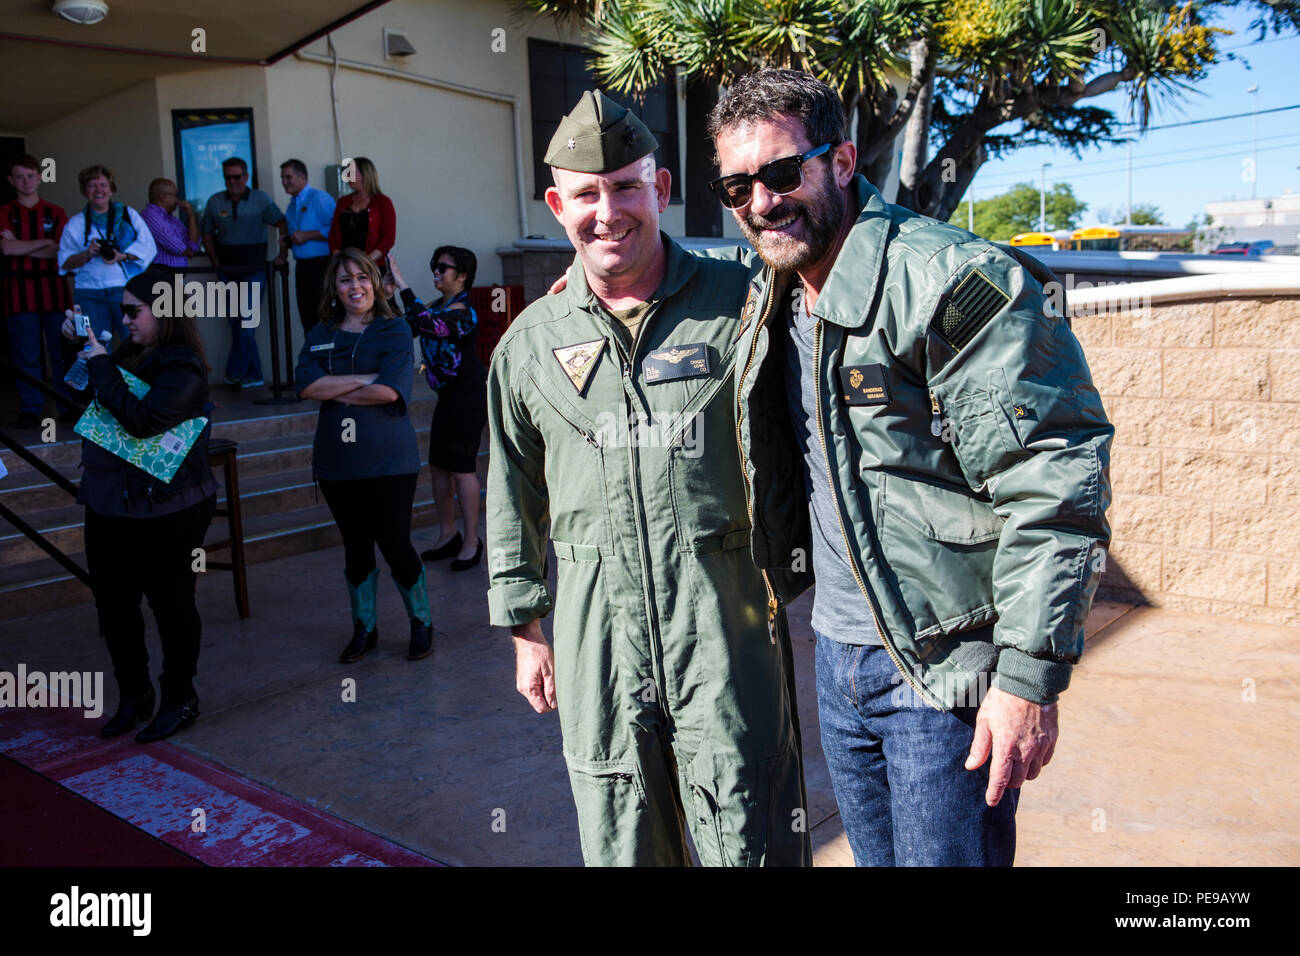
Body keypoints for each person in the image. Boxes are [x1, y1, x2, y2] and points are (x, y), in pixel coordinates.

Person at [708, 69, 1114, 866]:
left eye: (784, 172)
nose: (762, 202)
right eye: (737, 186)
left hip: (947, 674)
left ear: (844, 160)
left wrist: (1029, 678)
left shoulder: (951, 283)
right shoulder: (773, 290)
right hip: (837, 656)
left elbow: (1055, 475)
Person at [486, 90, 809, 867]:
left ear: (661, 190)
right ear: (558, 205)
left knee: (751, 825)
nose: (609, 212)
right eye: (588, 195)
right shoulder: (530, 344)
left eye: (627, 187)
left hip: (725, 621)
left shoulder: (748, 303)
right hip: (598, 630)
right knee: (621, 831)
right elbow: (514, 486)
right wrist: (526, 626)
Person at [60, 264, 218, 743]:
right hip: (109, 500)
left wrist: (103, 363)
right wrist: (79, 349)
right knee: (114, 605)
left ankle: (179, 697)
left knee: (171, 603)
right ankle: (134, 694)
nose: (125, 319)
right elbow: (74, 399)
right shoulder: (124, 354)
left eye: (134, 310)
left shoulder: (183, 365)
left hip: (168, 505)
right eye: (122, 311)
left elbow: (142, 421)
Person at [294, 248, 432, 661]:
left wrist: (333, 384)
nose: (355, 286)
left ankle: (421, 622)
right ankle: (364, 628)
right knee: (355, 546)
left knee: (394, 543)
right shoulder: (321, 334)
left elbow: (390, 391)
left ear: (374, 282)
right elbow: (305, 386)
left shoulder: (394, 330)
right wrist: (361, 379)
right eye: (345, 280)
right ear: (334, 290)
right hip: (337, 461)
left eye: (362, 277)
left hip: (389, 460)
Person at [389, 248, 486, 570]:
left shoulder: (463, 311)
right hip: (447, 397)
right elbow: (403, 328)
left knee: (462, 468)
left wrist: (402, 283)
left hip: (468, 397)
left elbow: (430, 325)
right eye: (434, 266)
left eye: (443, 268)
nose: (436, 272)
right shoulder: (435, 307)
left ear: (461, 276)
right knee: (439, 468)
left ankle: (472, 540)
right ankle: (449, 534)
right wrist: (388, 295)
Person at [200, 156, 287, 390]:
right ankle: (254, 374)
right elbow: (206, 233)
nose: (233, 181)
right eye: (228, 177)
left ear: (246, 177)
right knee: (236, 325)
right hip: (226, 272)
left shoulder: (260, 199)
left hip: (254, 271)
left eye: (237, 177)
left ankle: (234, 372)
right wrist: (214, 260)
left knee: (246, 326)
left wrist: (282, 254)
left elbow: (282, 223)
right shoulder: (215, 202)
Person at [1, 154, 73, 427]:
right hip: (18, 295)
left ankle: (65, 403)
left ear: (40, 177)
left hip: (54, 292)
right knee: (26, 355)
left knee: (60, 353)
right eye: (19, 176)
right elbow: (6, 248)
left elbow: (61, 249)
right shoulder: (4, 212)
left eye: (30, 175)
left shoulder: (55, 212)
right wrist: (45, 243)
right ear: (11, 181)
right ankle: (32, 407)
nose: (26, 181)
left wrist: (23, 243)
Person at [58, 164, 156, 350]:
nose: (98, 190)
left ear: (111, 189)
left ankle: (137, 380)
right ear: (84, 191)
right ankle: (100, 380)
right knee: (93, 347)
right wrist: (88, 253)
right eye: (92, 185)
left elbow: (149, 248)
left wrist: (122, 256)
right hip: (88, 294)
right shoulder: (76, 223)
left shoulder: (128, 215)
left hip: (125, 290)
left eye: (103, 185)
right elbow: (64, 263)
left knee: (137, 345)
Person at [278, 159, 336, 335]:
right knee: (308, 318)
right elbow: (297, 237)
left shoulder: (319, 198)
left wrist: (307, 235)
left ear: (302, 177)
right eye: (282, 177)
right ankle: (314, 361)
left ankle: (330, 360)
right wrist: (287, 243)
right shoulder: (291, 205)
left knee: (325, 317)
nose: (284, 181)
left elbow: (336, 228)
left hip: (322, 266)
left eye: (288, 177)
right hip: (302, 267)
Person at [326, 157, 395, 270]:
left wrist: (367, 261)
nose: (347, 177)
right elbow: (334, 234)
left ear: (365, 175)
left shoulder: (382, 202)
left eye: (351, 173)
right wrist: (338, 259)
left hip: (373, 265)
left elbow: (388, 238)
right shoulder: (343, 202)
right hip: (346, 264)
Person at [140, 178, 201, 272]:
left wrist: (191, 216)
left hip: (175, 276)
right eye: (175, 196)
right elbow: (178, 248)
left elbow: (193, 246)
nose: (177, 200)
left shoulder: (172, 219)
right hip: (160, 276)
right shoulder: (150, 215)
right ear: (163, 197)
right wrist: (187, 251)